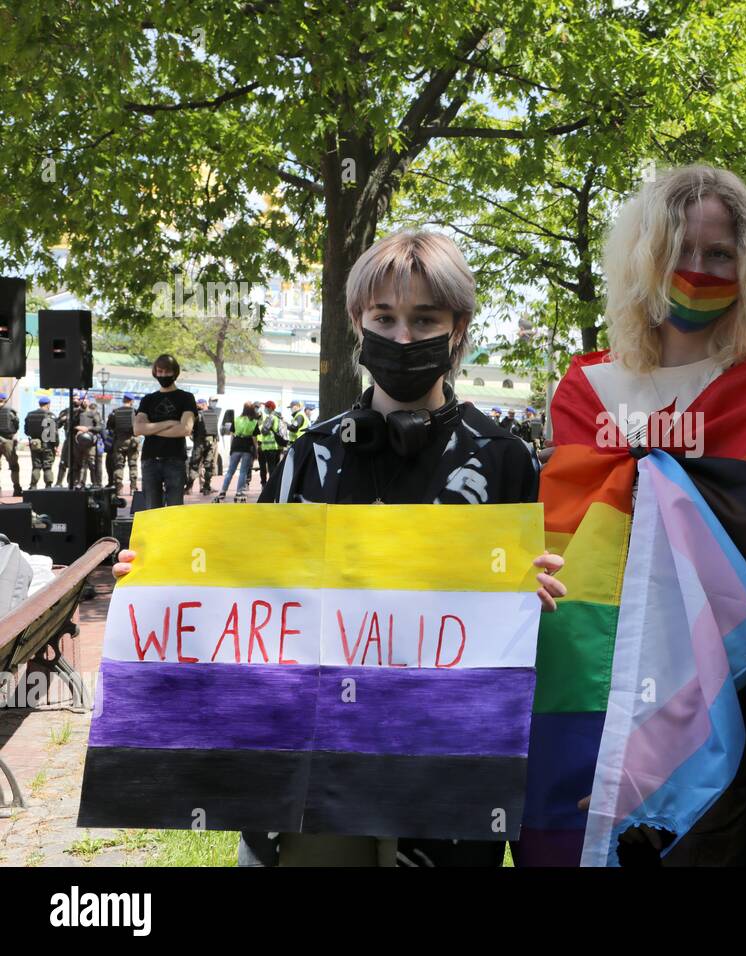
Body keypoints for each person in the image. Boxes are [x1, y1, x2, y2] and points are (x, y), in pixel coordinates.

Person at [118, 228, 566, 866]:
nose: (403, 337)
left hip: (445, 771)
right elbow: (257, 591)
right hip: (313, 761)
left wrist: (537, 592)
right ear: (358, 320)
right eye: (385, 317)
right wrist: (161, 584)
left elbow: (528, 618)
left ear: (458, 326)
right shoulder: (310, 455)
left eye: (424, 318)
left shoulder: (505, 460)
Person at [517, 164, 746, 867]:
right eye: (679, 253)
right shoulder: (587, 388)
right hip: (591, 680)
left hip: (734, 685)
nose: (697, 272)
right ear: (646, 261)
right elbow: (570, 542)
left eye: (720, 253)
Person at [134, 354, 197, 509]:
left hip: (175, 459)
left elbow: (185, 429)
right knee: (151, 509)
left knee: (175, 509)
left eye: (166, 372)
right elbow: (138, 429)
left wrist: (151, 428)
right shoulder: (148, 399)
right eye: (159, 371)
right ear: (155, 372)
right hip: (150, 460)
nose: (162, 375)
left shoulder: (186, 398)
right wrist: (169, 423)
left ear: (174, 372)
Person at [214, 402, 258, 503]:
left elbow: (232, 435)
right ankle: (239, 492)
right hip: (247, 446)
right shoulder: (253, 422)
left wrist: (231, 448)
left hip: (236, 445)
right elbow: (254, 438)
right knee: (243, 471)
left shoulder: (236, 419)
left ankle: (223, 491)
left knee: (230, 471)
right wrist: (256, 450)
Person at [69, 395, 103, 489]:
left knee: (92, 463)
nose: (83, 401)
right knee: (79, 463)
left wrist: (88, 429)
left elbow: (99, 427)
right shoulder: (76, 413)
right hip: (78, 442)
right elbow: (70, 426)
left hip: (91, 442)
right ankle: (80, 482)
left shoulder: (94, 413)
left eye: (85, 399)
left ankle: (95, 483)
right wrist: (77, 427)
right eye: (81, 400)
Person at [108, 394, 140, 493]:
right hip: (133, 441)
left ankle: (118, 487)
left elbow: (109, 426)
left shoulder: (115, 412)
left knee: (119, 465)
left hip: (119, 441)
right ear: (132, 401)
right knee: (133, 465)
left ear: (123, 400)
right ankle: (133, 488)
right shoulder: (135, 412)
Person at [24, 397, 56, 489]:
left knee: (36, 466)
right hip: (48, 445)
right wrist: (56, 445)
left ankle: (33, 486)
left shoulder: (30, 415)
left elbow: (26, 431)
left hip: (35, 444)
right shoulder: (50, 415)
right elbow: (54, 433)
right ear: (48, 404)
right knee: (47, 466)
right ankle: (48, 486)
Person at [256, 399, 285, 487]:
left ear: (269, 408)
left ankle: (271, 486)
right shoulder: (279, 417)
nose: (265, 409)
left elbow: (264, 431)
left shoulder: (271, 417)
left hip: (270, 447)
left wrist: (262, 427)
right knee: (276, 467)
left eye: (266, 407)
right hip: (278, 447)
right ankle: (276, 485)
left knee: (271, 467)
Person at [0, 393, 21, 497]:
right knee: (14, 466)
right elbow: (17, 425)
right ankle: (17, 489)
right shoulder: (10, 411)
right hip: (7, 440)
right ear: (5, 400)